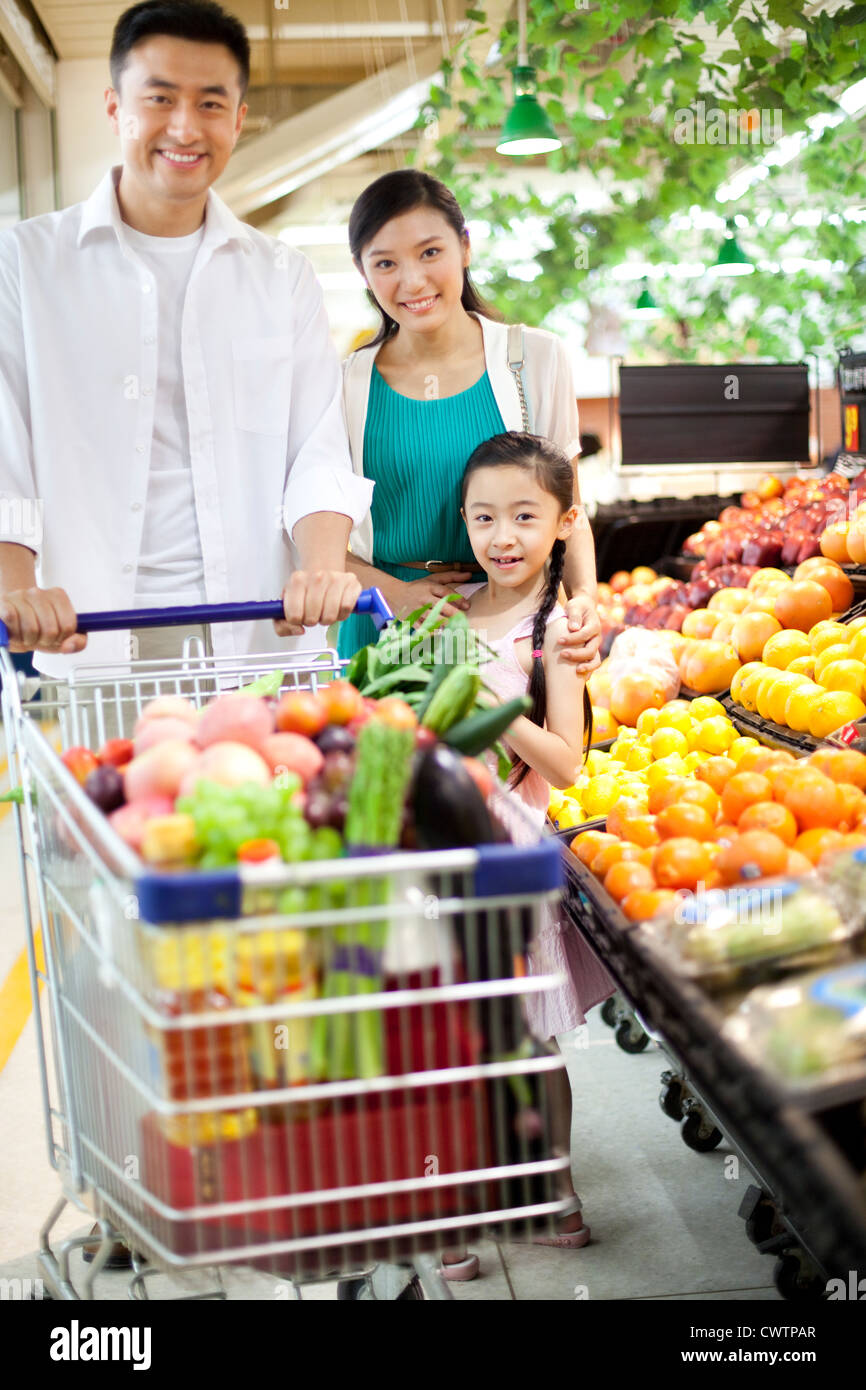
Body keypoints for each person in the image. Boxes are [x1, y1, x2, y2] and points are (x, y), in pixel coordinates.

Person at [0, 0, 371, 683]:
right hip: (94, 636)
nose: (183, 127)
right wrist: (15, 580)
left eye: (209, 103)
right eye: (159, 98)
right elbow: (4, 440)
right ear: (115, 108)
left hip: (257, 640)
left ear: (237, 119)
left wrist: (321, 571)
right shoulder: (26, 263)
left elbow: (316, 448)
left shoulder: (280, 276)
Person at [439, 431, 616, 1280]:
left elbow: (570, 761)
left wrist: (489, 709)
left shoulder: (556, 630)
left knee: (521, 1041)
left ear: (562, 521)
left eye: (523, 515)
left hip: (509, 858)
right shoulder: (449, 615)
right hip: (436, 855)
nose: (501, 536)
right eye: (483, 517)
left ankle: (555, 1196)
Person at [337, 168, 601, 674]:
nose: (412, 281)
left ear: (464, 246)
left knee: (517, 756)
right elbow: (314, 541)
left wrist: (586, 595)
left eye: (430, 252)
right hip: (385, 626)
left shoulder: (534, 359)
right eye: (385, 263)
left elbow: (572, 509)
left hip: (514, 623)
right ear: (362, 270)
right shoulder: (343, 385)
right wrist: (395, 593)